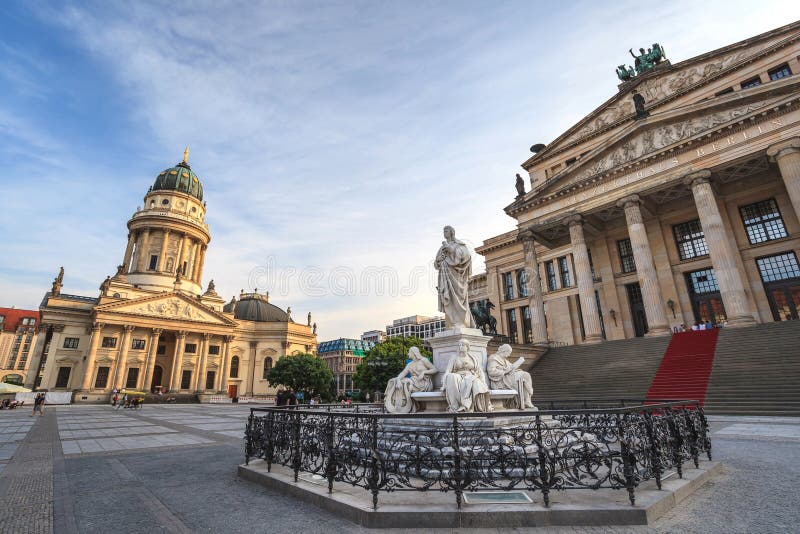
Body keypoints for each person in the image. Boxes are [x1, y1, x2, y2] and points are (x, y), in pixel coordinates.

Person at [442, 339, 492, 413]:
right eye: (459, 345)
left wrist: (484, 382)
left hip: (471, 376)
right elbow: (448, 371)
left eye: (462, 345)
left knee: (476, 383)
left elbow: (480, 371)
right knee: (451, 377)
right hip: (458, 375)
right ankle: (456, 406)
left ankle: (470, 407)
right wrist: (444, 382)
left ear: (467, 347)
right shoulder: (454, 357)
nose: (460, 347)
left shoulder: (473, 357)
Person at [384, 346, 437, 413]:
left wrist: (424, 372)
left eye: (409, 352)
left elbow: (435, 369)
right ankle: (398, 406)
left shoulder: (424, 360)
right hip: (413, 381)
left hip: (423, 382)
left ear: (414, 353)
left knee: (405, 382)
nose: (408, 354)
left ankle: (405, 406)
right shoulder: (409, 364)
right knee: (393, 381)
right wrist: (398, 380)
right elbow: (402, 373)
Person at [486, 344, 535, 410]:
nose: (509, 355)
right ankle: (527, 398)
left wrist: (514, 368)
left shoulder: (505, 361)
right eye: (509, 353)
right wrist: (505, 371)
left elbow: (511, 368)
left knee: (526, 375)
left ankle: (527, 400)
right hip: (499, 381)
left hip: (507, 378)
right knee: (524, 375)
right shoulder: (493, 358)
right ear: (504, 351)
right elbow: (491, 372)